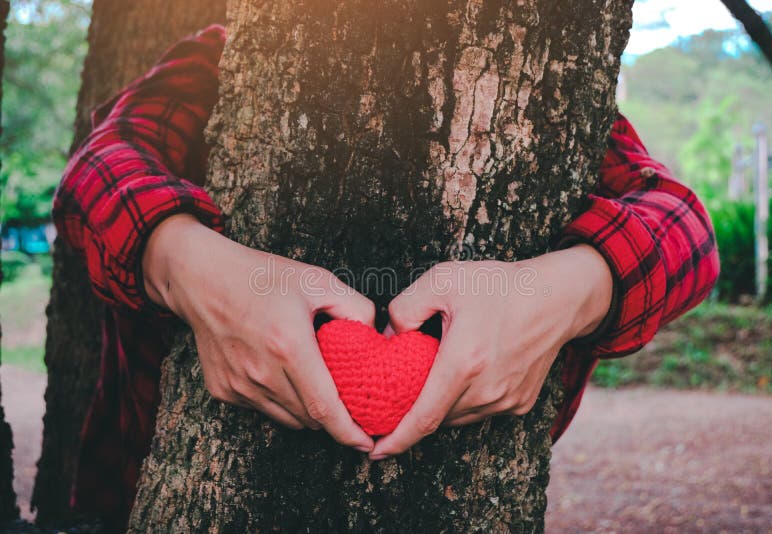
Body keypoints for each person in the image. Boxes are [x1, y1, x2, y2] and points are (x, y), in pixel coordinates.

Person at [52, 24, 720, 528]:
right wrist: (180, 262)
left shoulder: (558, 92)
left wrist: (576, 289)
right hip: (138, 491)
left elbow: (686, 230)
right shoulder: (222, 58)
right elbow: (97, 170)